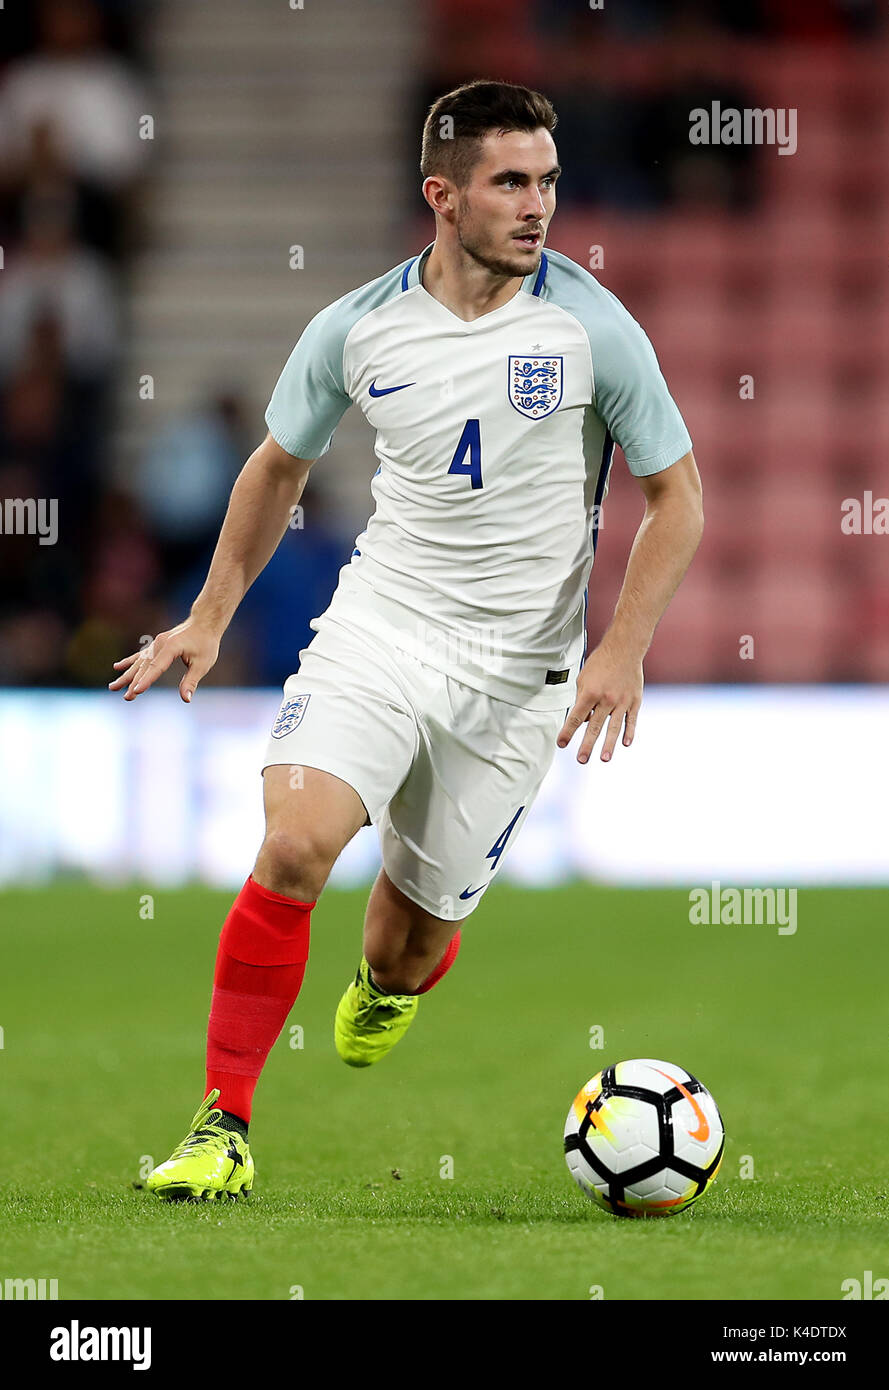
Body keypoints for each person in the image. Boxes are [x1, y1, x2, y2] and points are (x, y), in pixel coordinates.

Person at [110, 80, 703, 1200]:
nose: (538, 206)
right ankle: (221, 1125)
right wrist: (207, 613)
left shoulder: (591, 328)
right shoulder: (355, 327)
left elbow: (678, 496)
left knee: (402, 951)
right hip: (378, 628)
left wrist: (619, 649)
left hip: (514, 678)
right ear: (441, 194)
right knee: (292, 847)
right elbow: (274, 469)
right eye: (510, 183)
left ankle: (390, 982)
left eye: (548, 182)